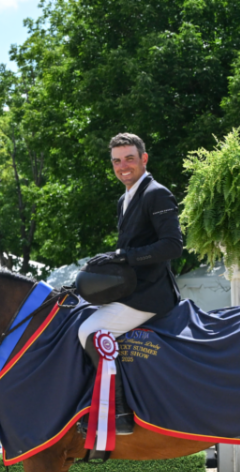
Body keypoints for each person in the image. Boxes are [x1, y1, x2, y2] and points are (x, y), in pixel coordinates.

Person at [79, 132, 183, 434]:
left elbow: (172, 246)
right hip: (130, 288)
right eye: (116, 161)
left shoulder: (157, 194)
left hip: (152, 294)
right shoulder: (124, 198)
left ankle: (119, 412)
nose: (123, 166)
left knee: (90, 331)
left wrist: (123, 256)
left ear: (144, 159)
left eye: (129, 159)